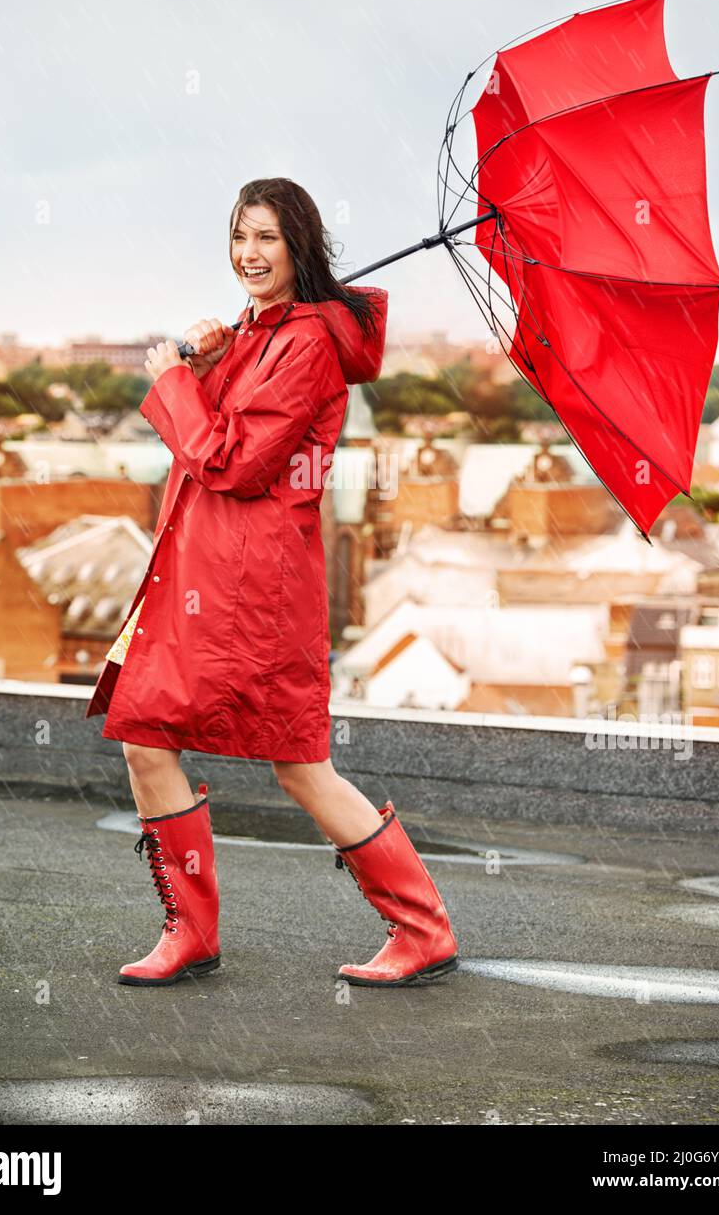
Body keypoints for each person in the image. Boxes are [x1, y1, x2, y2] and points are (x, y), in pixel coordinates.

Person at [85, 177, 459, 989]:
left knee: (299, 764)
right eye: (239, 237)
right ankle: (189, 930)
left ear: (300, 249)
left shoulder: (311, 343)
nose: (249, 255)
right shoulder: (265, 333)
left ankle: (421, 928)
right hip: (201, 575)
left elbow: (234, 460)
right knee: (145, 733)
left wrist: (174, 381)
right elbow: (222, 435)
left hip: (254, 589)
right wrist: (216, 362)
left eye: (267, 240)